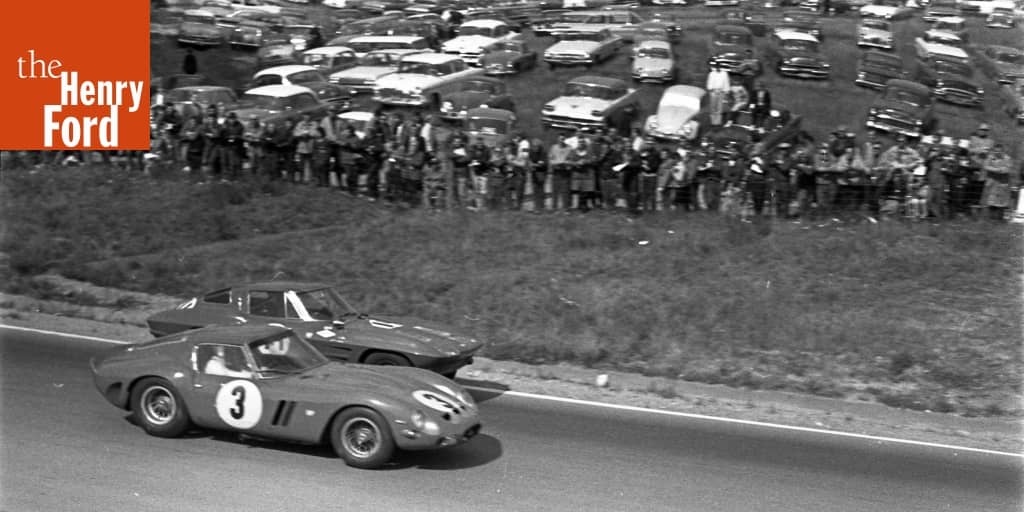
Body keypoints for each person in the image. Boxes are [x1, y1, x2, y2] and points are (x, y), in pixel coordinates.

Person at [981, 144, 1014, 221]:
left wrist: (1000, 170)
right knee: (991, 200)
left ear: (1002, 151)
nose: (997, 152)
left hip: (1002, 183)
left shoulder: (1007, 158)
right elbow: (985, 166)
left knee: (1001, 201)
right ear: (994, 151)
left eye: (999, 151)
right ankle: (990, 219)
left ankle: (999, 219)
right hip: (992, 182)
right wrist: (997, 170)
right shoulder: (990, 157)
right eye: (996, 151)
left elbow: (1008, 169)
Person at [548, 134, 573, 211]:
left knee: (565, 191)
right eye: (560, 139)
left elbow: (571, 160)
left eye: (563, 139)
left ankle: (566, 208)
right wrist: (556, 163)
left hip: (565, 172)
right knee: (555, 191)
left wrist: (566, 163)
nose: (561, 140)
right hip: (556, 172)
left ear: (565, 139)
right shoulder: (553, 147)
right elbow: (550, 160)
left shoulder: (569, 148)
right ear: (557, 139)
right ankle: (554, 208)